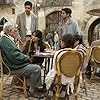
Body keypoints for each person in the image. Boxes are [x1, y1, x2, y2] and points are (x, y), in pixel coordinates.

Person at [0, 22, 44, 99]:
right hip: (11, 68)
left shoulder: (7, 39)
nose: (17, 32)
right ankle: (32, 91)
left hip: (12, 65)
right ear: (9, 31)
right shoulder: (6, 41)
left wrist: (25, 58)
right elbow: (15, 57)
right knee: (36, 69)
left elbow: (16, 54)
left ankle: (37, 87)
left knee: (35, 66)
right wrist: (27, 58)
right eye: (15, 31)